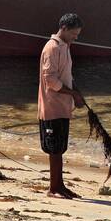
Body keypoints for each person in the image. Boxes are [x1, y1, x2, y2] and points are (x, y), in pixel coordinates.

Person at [38, 13, 85, 198]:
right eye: (74, 33)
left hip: (63, 107)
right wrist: (72, 93)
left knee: (60, 147)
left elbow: (67, 75)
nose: (76, 37)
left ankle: (60, 185)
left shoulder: (65, 47)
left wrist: (77, 92)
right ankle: (53, 188)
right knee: (54, 149)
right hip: (51, 107)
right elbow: (50, 80)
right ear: (64, 28)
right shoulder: (52, 48)